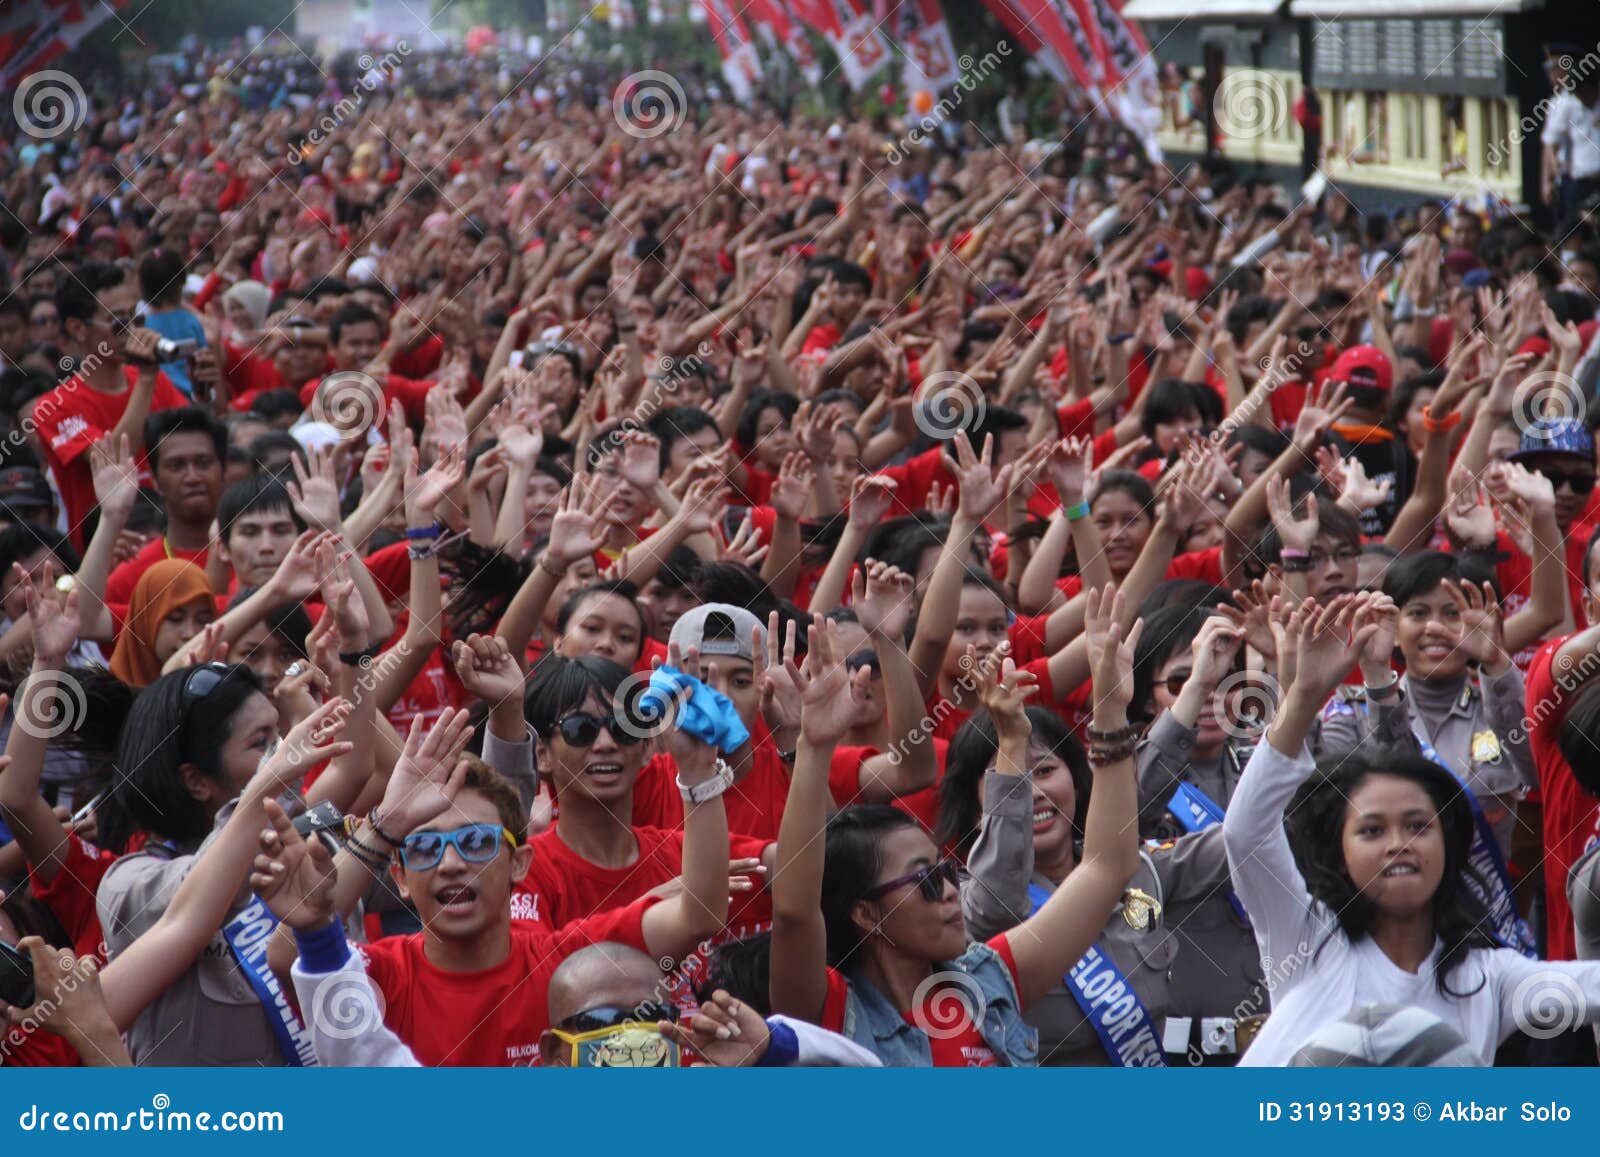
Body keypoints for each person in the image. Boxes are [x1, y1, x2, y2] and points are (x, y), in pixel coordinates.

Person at [1223, 594, 1600, 1066]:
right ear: (1339, 853)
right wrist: (1302, 696)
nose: (1399, 844)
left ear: (1449, 846)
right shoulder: (1305, 938)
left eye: (1419, 826)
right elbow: (1245, 834)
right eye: (1372, 830)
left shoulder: (1489, 977)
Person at [767, 597, 1143, 1066]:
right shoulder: (829, 1009)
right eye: (925, 880)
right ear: (866, 913)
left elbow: (1108, 865)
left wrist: (1110, 711)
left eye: (946, 872)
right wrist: (813, 746)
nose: (951, 892)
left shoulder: (987, 978)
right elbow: (795, 911)